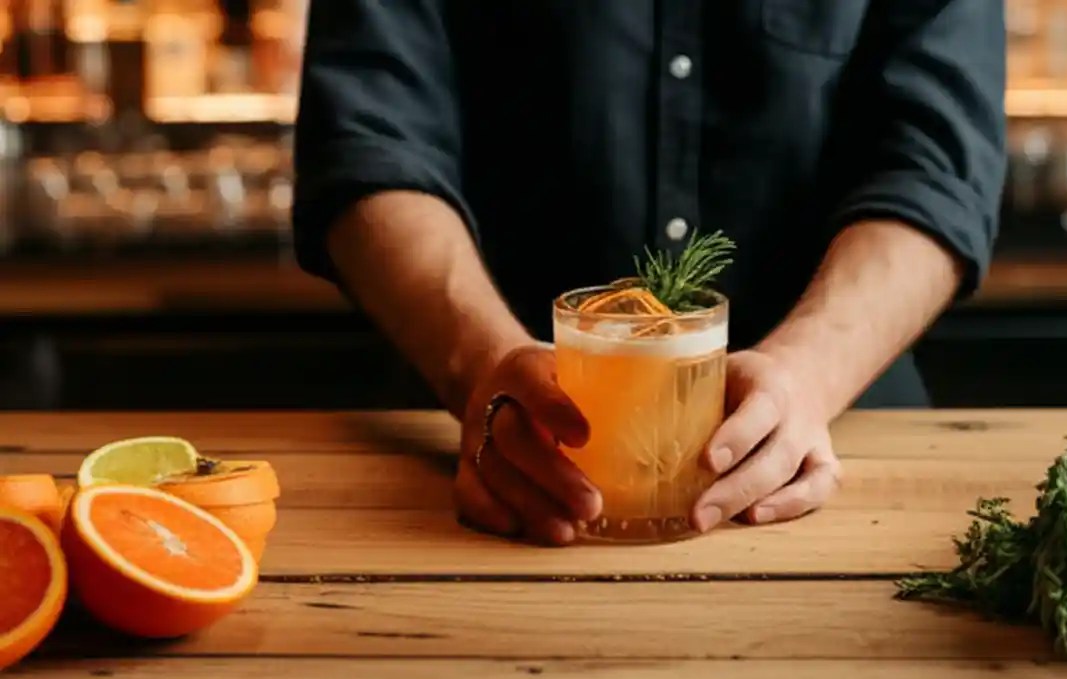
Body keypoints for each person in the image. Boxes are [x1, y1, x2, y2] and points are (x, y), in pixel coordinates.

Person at [291, 2, 1007, 545]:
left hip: (829, 485)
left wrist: (808, 377)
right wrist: (481, 361)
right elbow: (367, 138)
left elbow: (937, 167)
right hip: (487, 475)